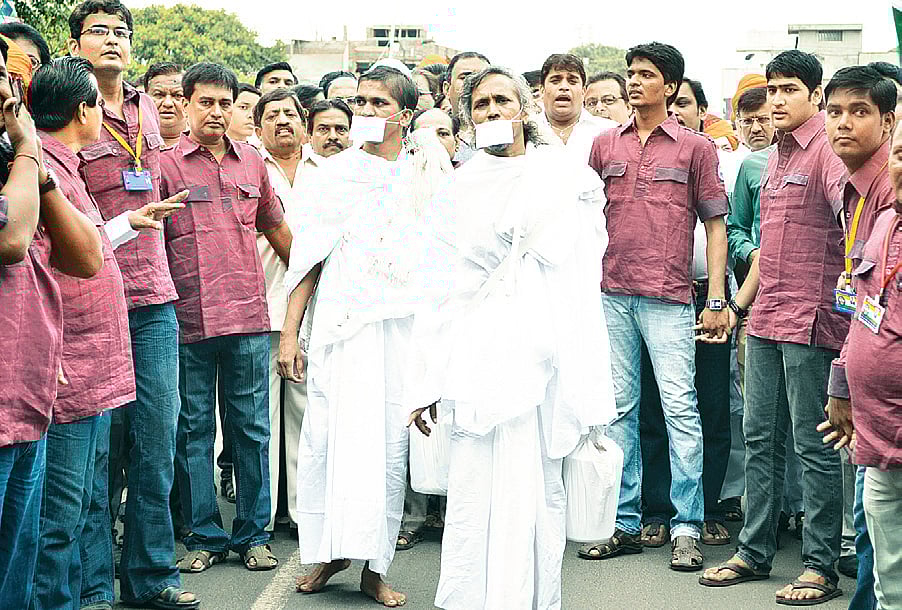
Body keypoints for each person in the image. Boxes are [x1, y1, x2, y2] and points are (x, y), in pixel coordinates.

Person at [407, 64, 615, 610]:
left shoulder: (566, 178)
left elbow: (582, 275)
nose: (493, 111)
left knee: (534, 492)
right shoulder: (457, 187)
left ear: (524, 109)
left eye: (503, 100)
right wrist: (427, 378)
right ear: (468, 118)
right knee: (476, 492)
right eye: (481, 105)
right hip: (476, 357)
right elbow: (438, 287)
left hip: (542, 354)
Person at [699, 50, 847, 606]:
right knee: (759, 438)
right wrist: (735, 307)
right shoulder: (772, 157)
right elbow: (764, 249)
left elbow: (854, 231)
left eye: (790, 89)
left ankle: (819, 567)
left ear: (815, 94)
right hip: (764, 316)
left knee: (812, 446)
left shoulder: (829, 155)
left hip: (813, 320)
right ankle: (753, 552)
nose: (778, 99)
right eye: (773, 89)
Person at [582, 41, 729, 572]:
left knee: (679, 410)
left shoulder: (696, 148)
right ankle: (623, 521)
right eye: (630, 73)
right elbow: (582, 221)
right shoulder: (603, 144)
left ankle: (686, 525)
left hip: (669, 296)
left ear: (669, 86)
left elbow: (716, 225)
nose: (634, 81)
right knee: (618, 409)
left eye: (646, 74)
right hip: (612, 293)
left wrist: (716, 296)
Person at [67, 1, 196, 606]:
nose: (112, 40)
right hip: (91, 302)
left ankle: (152, 578)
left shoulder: (148, 107)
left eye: (120, 32)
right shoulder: (66, 111)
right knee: (95, 455)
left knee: (156, 442)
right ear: (76, 44)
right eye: (99, 32)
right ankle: (93, 586)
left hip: (154, 300)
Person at [278, 66, 420, 608]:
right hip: (341, 329)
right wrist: (291, 334)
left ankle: (375, 566)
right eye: (359, 102)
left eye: (378, 103)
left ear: (404, 115)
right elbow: (307, 263)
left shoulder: (423, 177)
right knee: (330, 444)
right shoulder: (331, 175)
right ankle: (329, 554)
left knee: (388, 449)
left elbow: (440, 270)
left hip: (398, 332)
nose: (364, 112)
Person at [29, 56, 151, 610]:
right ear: (84, 110)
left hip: (89, 362)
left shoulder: (63, 164)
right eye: (99, 104)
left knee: (77, 503)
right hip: (67, 364)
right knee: (58, 512)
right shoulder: (40, 172)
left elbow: (91, 246)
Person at [161, 61, 292, 574]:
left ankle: (254, 534)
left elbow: (279, 233)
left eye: (225, 103)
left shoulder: (252, 166)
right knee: (192, 431)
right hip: (188, 319)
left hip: (248, 318)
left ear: (238, 107)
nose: (216, 112)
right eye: (206, 102)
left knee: (251, 431)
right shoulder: (163, 166)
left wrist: (317, 290)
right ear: (187, 104)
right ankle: (204, 536)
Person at [0, 38, 104, 609]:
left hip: (26, 394)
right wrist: (27, 150)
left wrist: (29, 163)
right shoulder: (22, 155)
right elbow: (12, 239)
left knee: (19, 561)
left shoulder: (20, 162)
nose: (9, 89)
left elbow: (84, 257)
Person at [632, 75, 733, 550]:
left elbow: (725, 230)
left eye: (688, 106)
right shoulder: (638, 150)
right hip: (649, 293)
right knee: (651, 406)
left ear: (695, 108)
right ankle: (656, 508)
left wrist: (720, 300)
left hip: (702, 295)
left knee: (707, 406)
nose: (679, 115)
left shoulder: (708, 155)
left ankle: (706, 508)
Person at [820, 64, 896, 608]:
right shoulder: (860, 194)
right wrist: (845, 380)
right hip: (873, 408)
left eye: (859, 111)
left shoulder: (887, 197)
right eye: (836, 112)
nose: (843, 124)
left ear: (888, 122)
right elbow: (864, 304)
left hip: (890, 413)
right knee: (876, 525)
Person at [394, 106, 457, 553]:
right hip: (410, 315)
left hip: (456, 317)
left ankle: (457, 512)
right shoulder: (395, 190)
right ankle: (413, 513)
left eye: (444, 133)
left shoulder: (472, 188)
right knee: (411, 409)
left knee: (453, 412)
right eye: (424, 135)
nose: (433, 142)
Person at [252, 88, 309, 531]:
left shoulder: (327, 170)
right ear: (258, 126)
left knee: (308, 414)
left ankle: (306, 510)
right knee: (263, 419)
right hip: (264, 304)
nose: (283, 121)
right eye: (272, 115)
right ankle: (265, 516)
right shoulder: (250, 168)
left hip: (319, 309)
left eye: (290, 113)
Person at [535, 53, 617, 164]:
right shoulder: (525, 131)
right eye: (555, 81)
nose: (564, 87)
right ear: (542, 90)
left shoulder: (609, 131)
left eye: (572, 81)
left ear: (583, 91)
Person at [443, 51, 490, 164]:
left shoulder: (509, 133)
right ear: (447, 88)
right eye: (465, 77)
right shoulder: (434, 133)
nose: (473, 82)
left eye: (482, 77)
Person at [144, 62, 186, 148]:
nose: (168, 103)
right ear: (145, 98)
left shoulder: (206, 144)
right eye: (159, 95)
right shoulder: (130, 143)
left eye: (177, 95)